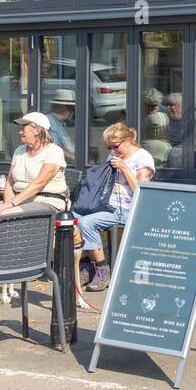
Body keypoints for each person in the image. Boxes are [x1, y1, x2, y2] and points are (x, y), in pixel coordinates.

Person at [0, 112, 69, 303]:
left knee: (4, 218)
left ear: (37, 130)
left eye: (23, 128)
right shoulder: (20, 150)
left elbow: (39, 184)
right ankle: (7, 260)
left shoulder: (53, 151)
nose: (19, 132)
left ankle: (13, 264)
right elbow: (10, 180)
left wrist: (11, 205)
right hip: (21, 201)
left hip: (48, 201)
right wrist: (7, 201)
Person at [75, 122, 155, 294]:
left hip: (130, 209)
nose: (112, 150)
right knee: (75, 218)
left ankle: (102, 270)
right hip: (108, 205)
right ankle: (87, 265)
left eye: (115, 146)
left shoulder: (143, 157)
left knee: (87, 223)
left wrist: (125, 168)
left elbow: (143, 192)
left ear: (127, 141)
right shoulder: (113, 154)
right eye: (108, 146)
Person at [45, 88, 77, 165]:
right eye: (72, 108)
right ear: (64, 107)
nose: (73, 111)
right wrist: (74, 157)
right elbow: (52, 147)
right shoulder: (48, 122)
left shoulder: (61, 123)